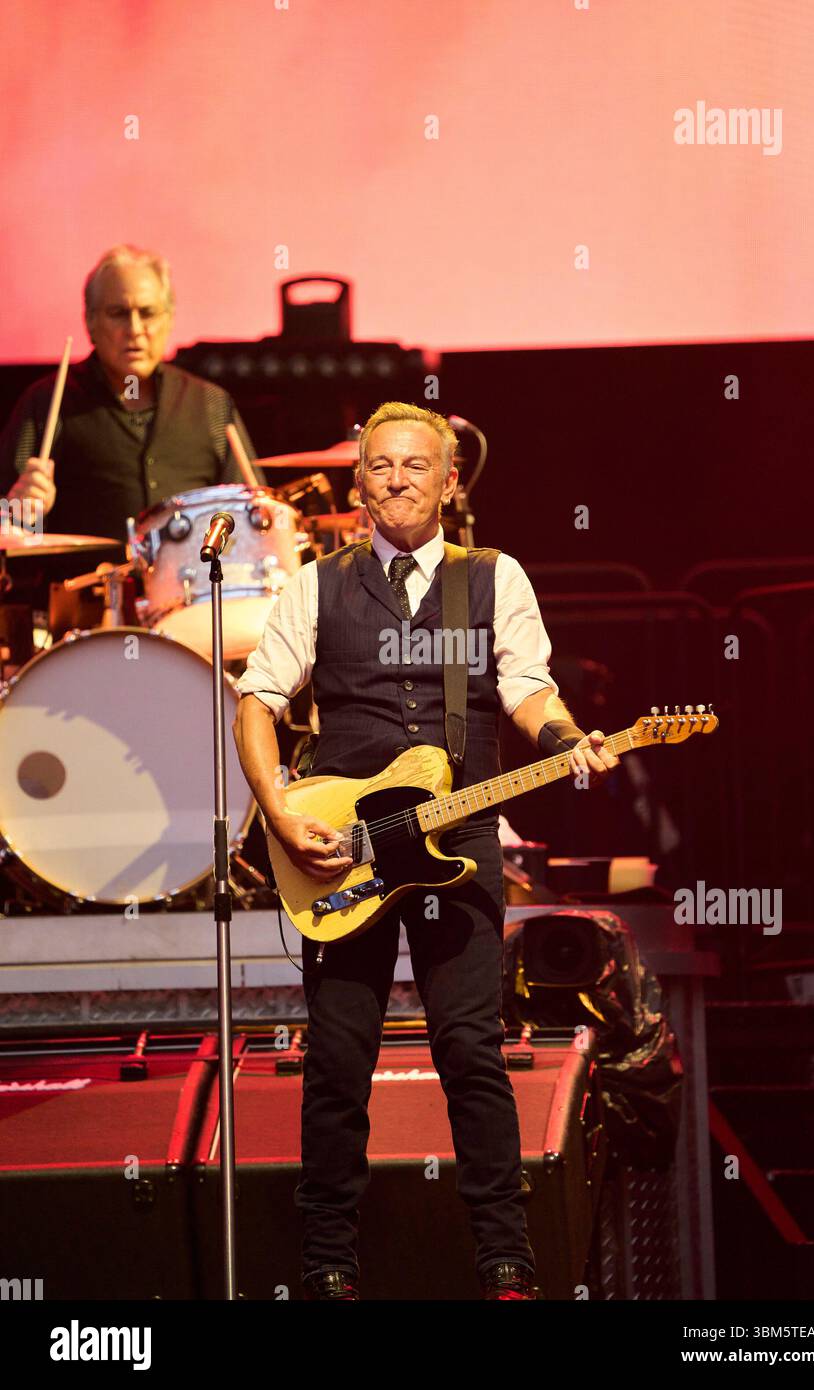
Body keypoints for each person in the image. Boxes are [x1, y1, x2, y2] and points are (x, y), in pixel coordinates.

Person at [232, 401, 619, 1301]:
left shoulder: (493, 576)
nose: (398, 478)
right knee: (337, 1057)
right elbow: (257, 702)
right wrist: (280, 813)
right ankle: (329, 1262)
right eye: (381, 465)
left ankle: (506, 1260)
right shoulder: (315, 585)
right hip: (345, 840)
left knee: (471, 1048)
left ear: (449, 482)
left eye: (416, 465)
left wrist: (568, 741)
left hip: (459, 833)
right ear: (359, 483)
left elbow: (528, 687)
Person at [0, 243, 259, 546]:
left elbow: (251, 514)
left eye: (147, 313)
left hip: (196, 574)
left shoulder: (210, 404)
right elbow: (8, 522)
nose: (134, 329)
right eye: (118, 313)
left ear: (169, 319)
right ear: (90, 321)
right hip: (87, 576)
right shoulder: (48, 403)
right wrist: (21, 512)